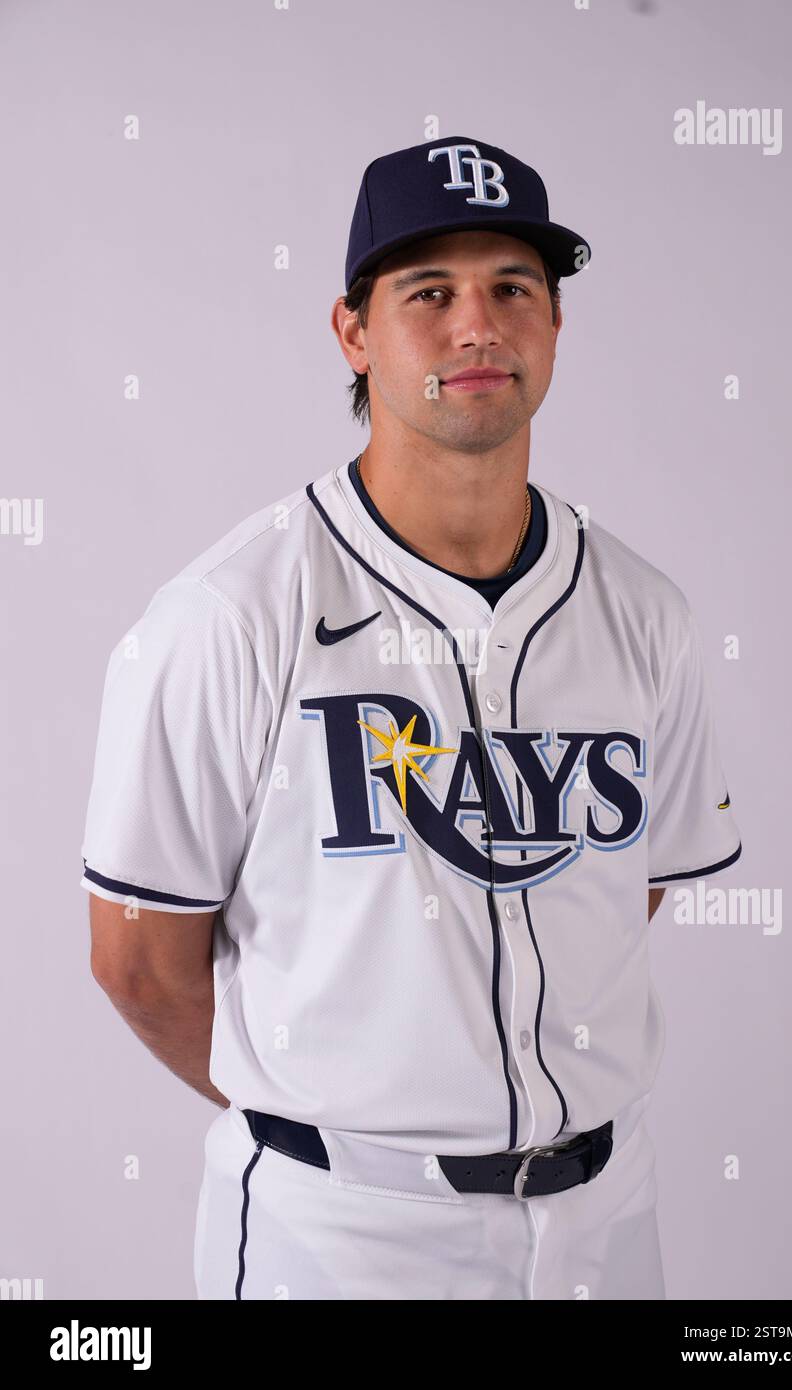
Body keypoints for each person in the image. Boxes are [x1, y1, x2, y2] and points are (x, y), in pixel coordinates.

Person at [81, 135, 743, 1300]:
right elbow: (140, 961)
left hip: (605, 1218)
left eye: (511, 289)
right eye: (428, 293)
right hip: (340, 1239)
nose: (475, 327)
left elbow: (620, 886)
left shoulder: (644, 610)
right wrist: (331, 1118)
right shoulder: (231, 615)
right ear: (352, 330)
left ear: (551, 324)